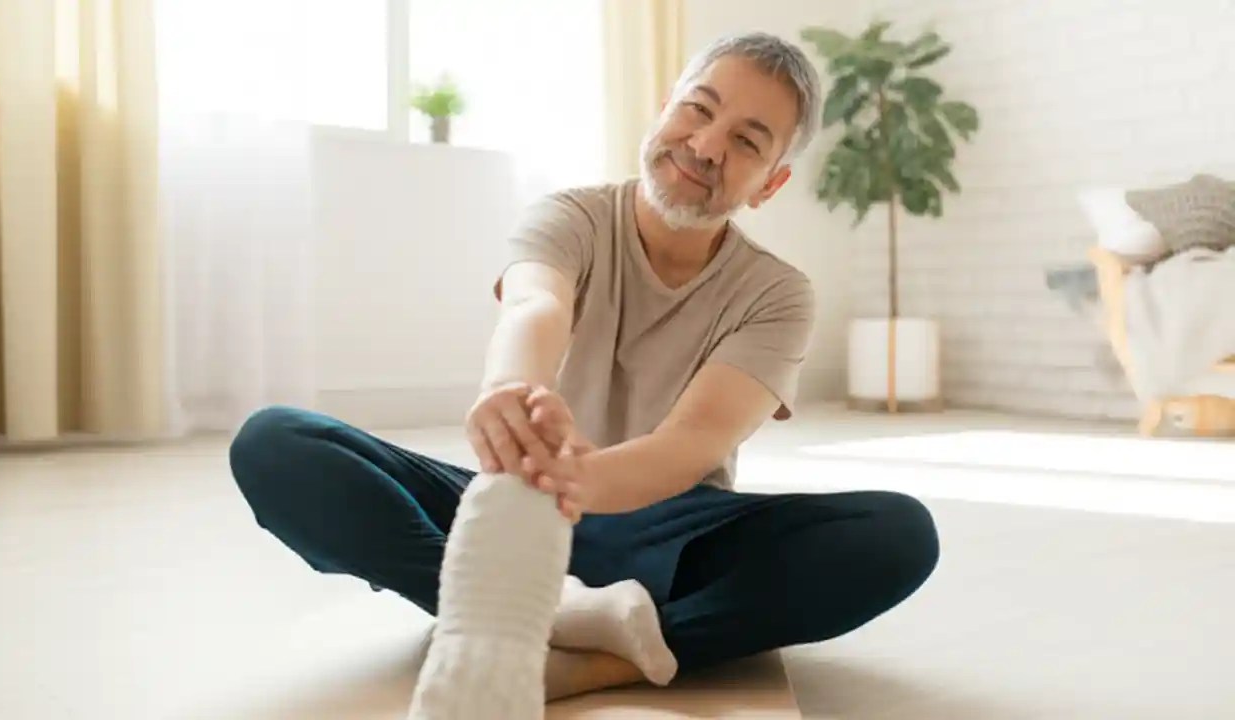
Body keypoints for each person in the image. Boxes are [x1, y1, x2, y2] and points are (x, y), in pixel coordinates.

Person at [229, 31, 939, 702]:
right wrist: (512, 396)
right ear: (665, 107)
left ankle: (586, 662)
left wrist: (575, 480)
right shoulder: (571, 216)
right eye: (698, 109)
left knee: (898, 535)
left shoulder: (778, 294)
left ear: (769, 185)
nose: (705, 144)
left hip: (669, 530)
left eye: (746, 141)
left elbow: (691, 444)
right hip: (526, 503)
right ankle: (550, 616)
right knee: (277, 443)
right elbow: (536, 305)